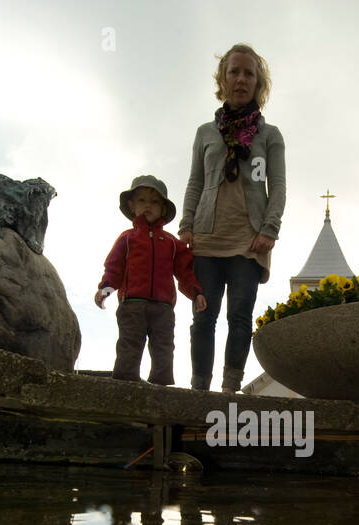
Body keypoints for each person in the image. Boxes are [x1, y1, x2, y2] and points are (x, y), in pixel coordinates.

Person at [178, 43, 286, 393]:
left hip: (249, 240)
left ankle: (229, 390)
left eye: (249, 73)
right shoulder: (205, 134)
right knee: (203, 318)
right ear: (223, 80)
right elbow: (195, 181)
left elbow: (278, 185)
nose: (241, 79)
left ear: (259, 83)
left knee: (239, 318)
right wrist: (186, 225)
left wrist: (270, 229)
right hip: (207, 239)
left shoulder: (269, 136)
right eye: (234, 72)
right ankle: (199, 390)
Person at [96, 175, 206, 386]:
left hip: (163, 308)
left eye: (154, 202)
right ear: (132, 205)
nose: (148, 205)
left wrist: (196, 293)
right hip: (132, 305)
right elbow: (114, 268)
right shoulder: (127, 238)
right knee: (129, 344)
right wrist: (105, 289)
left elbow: (184, 272)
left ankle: (161, 387)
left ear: (163, 209)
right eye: (142, 200)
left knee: (164, 347)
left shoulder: (172, 243)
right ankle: (124, 386)